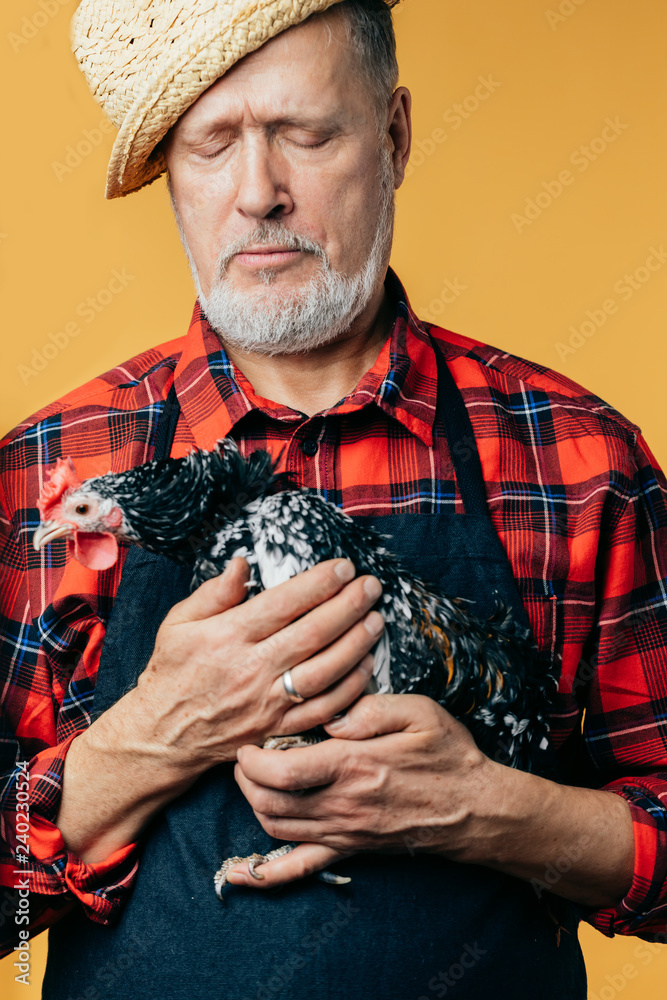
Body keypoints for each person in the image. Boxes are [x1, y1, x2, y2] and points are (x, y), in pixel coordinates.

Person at [1, 0, 666, 996]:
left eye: (304, 133)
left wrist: (487, 809)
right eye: (211, 144)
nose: (257, 192)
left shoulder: (575, 459)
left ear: (394, 136)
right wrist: (152, 737)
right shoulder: (43, 470)